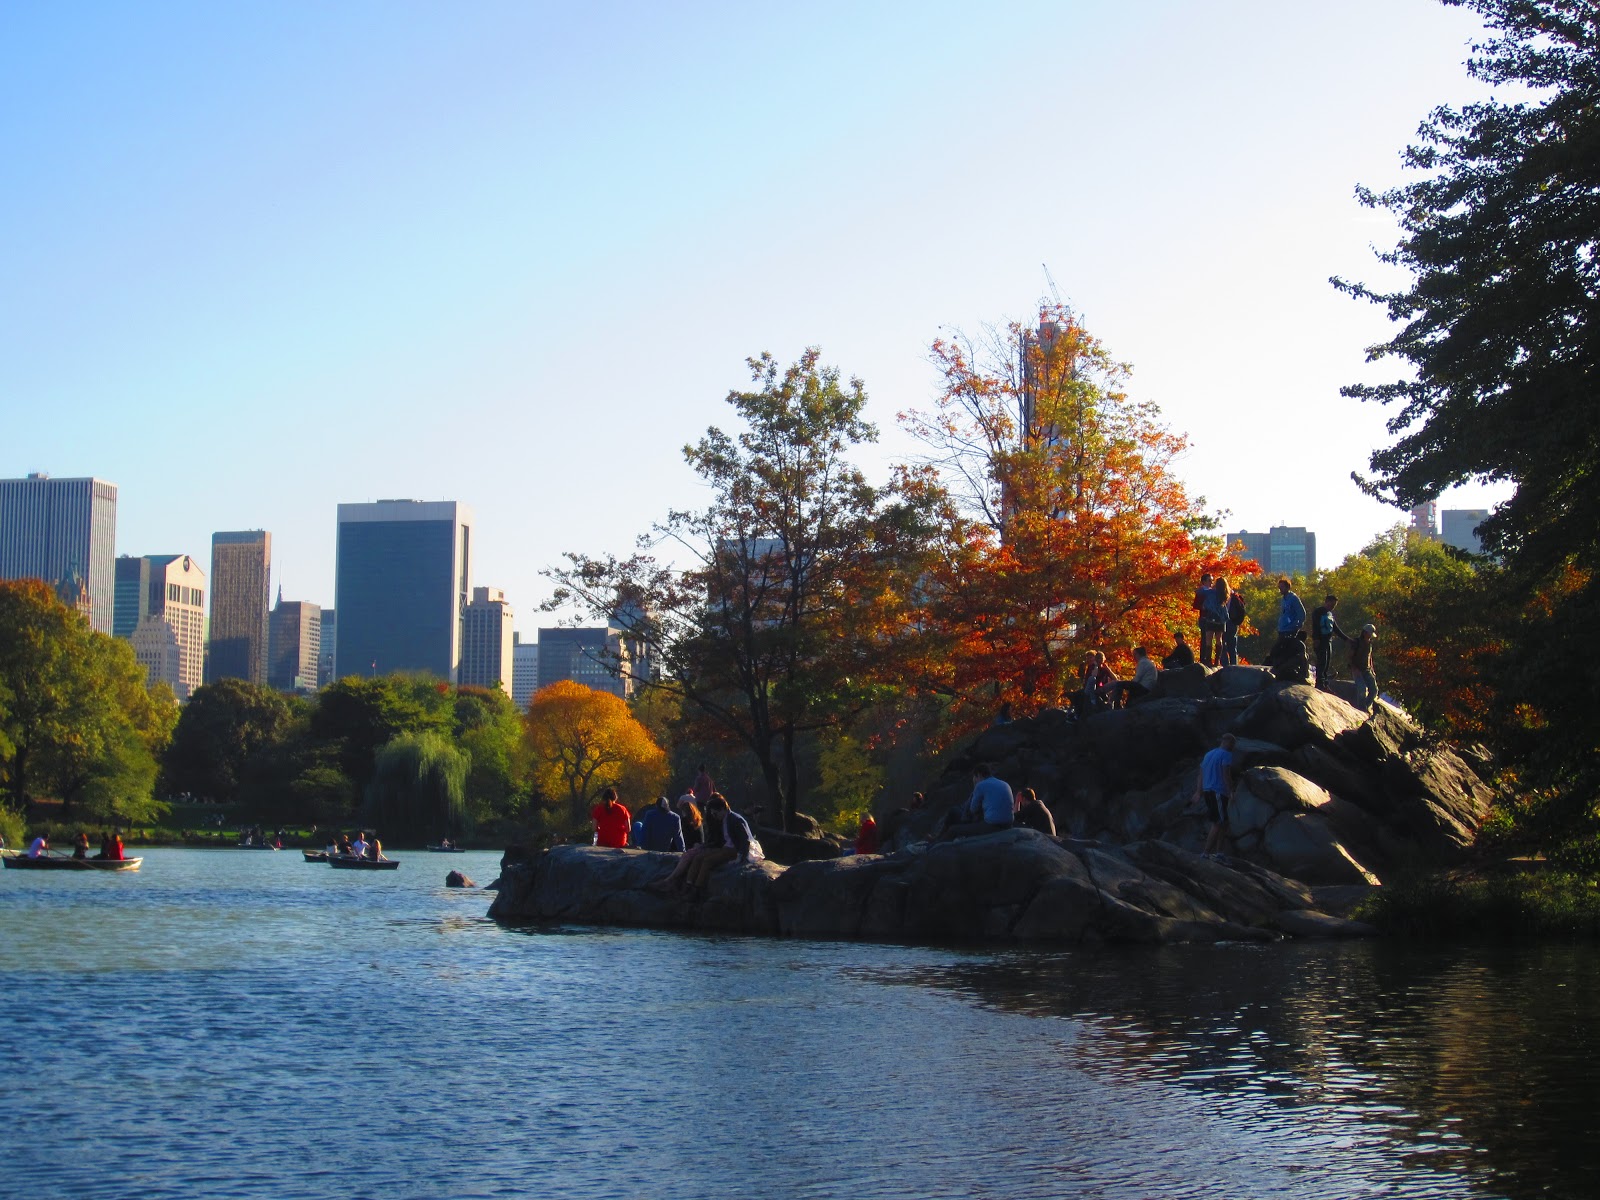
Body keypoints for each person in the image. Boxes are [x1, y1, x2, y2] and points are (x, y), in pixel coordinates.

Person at [940, 764, 1015, 840]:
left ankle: (936, 844)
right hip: (1008, 824)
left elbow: (973, 809)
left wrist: (975, 789)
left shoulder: (980, 785)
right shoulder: (1004, 784)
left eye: (974, 777)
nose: (973, 780)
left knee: (953, 829)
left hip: (992, 826)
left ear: (978, 775)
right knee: (955, 811)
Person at [1193, 733, 1237, 858]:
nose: (1233, 747)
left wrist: (1198, 791)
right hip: (1218, 792)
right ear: (1227, 742)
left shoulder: (1208, 754)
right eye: (1233, 744)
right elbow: (1226, 774)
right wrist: (1231, 791)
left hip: (1208, 791)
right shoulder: (1226, 754)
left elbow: (1201, 774)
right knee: (1218, 822)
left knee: (1224, 822)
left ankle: (1219, 853)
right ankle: (1206, 853)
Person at [1309, 593, 1354, 691]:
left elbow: (1335, 629)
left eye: (1334, 605)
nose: (1332, 607)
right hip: (1320, 641)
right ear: (1326, 602)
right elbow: (1315, 626)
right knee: (1322, 662)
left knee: (1327, 662)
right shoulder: (1318, 612)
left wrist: (1346, 639)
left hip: (1328, 641)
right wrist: (1316, 639)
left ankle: (1325, 683)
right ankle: (1319, 683)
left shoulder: (1330, 614)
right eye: (1331, 604)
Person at [1196, 572, 1227, 666]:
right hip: (1221, 619)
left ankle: (1208, 660)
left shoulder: (1211, 592)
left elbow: (1200, 592)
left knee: (1208, 639)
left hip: (1211, 618)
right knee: (1219, 639)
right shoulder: (1225, 594)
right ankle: (1217, 660)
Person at [1350, 623, 1380, 712]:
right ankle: (1361, 708)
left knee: (1374, 690)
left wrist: (1372, 669)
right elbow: (1350, 656)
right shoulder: (1357, 642)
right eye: (1369, 634)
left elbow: (1369, 657)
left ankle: (1366, 706)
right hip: (1357, 669)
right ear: (1365, 633)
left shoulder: (1369, 644)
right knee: (1362, 689)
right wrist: (1354, 669)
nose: (1370, 636)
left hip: (1367, 670)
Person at [1223, 582, 1248, 667]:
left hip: (1225, 622)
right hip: (1233, 623)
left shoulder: (1221, 596)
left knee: (1222, 645)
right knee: (1232, 647)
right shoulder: (1235, 597)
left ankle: (1225, 666)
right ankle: (1234, 666)